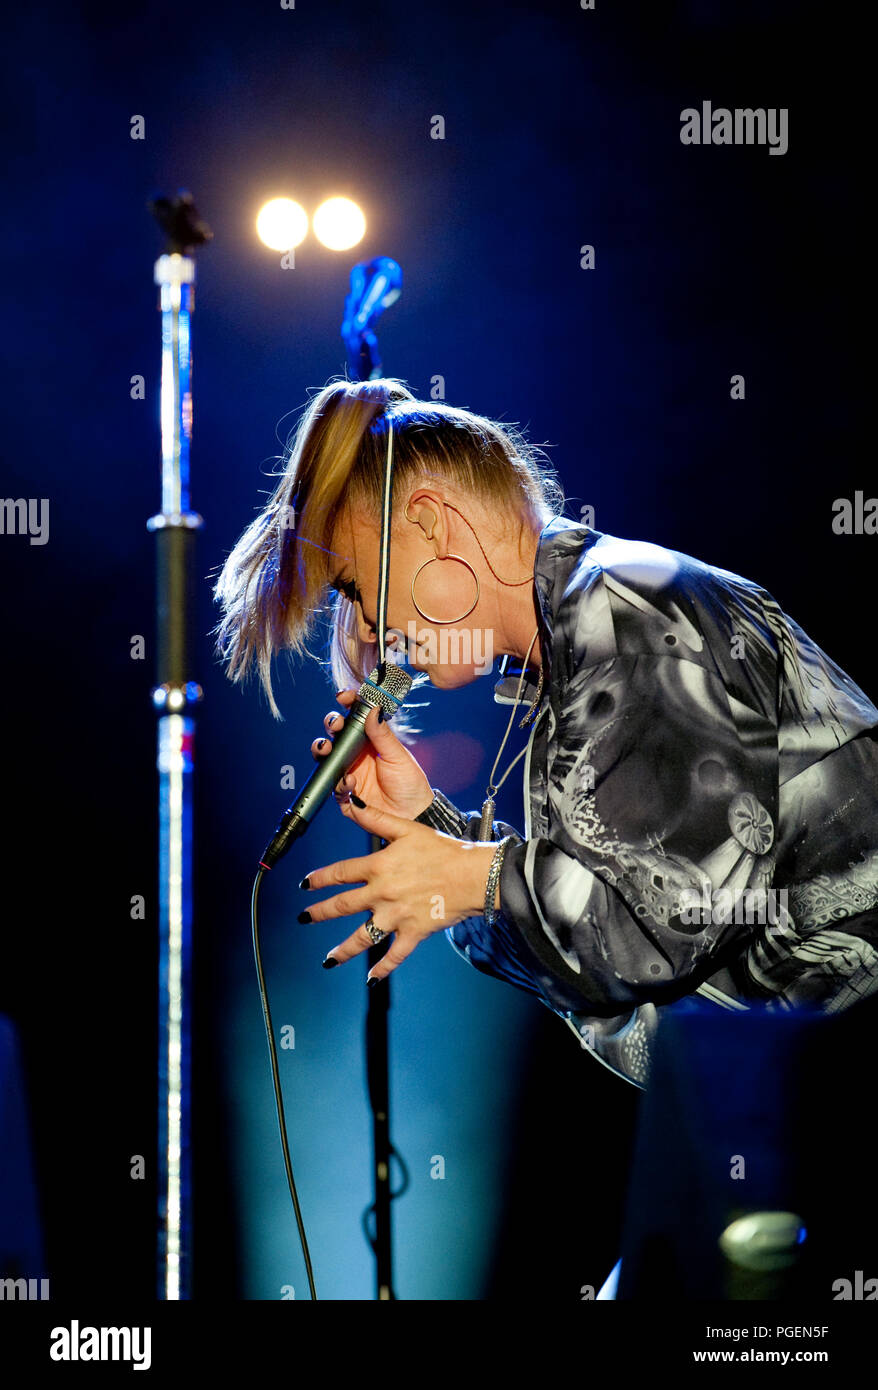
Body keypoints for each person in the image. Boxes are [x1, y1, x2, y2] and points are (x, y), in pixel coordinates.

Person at [214, 377, 878, 1287]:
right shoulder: (579, 654)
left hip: (825, 1127)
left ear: (433, 522)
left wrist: (473, 878)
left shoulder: (631, 610)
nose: (365, 628)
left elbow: (653, 930)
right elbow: (605, 947)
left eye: (355, 587)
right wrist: (434, 838)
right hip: (780, 1124)